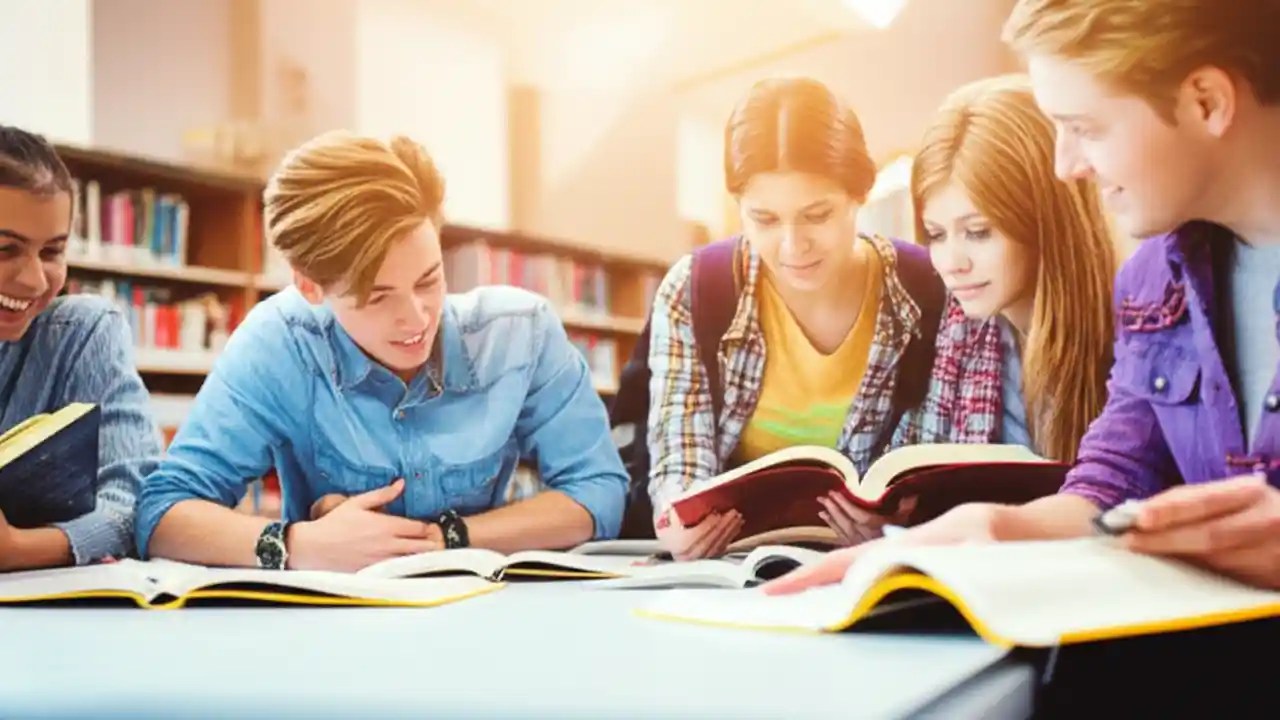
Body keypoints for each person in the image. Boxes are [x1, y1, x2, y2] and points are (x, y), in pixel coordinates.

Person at [764, 0, 1280, 594]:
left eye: (1086, 129)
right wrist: (992, 526)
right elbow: (1110, 488)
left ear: (1206, 103)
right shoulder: (1153, 285)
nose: (1065, 166)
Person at [136, 131, 628, 572]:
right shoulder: (278, 342)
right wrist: (298, 544)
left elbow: (599, 491)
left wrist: (448, 539)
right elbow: (162, 513)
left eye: (429, 280)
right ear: (310, 287)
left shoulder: (521, 334)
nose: (416, 318)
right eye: (377, 296)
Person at [646, 77, 944, 559]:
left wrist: (905, 521)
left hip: (880, 567)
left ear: (859, 194)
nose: (792, 246)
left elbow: (943, 468)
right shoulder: (694, 290)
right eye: (764, 219)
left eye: (817, 215)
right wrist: (677, 522)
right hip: (732, 572)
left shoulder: (928, 290)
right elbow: (679, 460)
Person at [892, 73, 1116, 462]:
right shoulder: (954, 340)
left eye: (977, 232)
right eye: (936, 234)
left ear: (1041, 217)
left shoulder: (1130, 341)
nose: (952, 263)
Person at [0, 124, 161, 570]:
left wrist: (18, 550)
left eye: (51, 251)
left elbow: (135, 504)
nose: (34, 280)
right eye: (4, 249)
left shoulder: (82, 333)